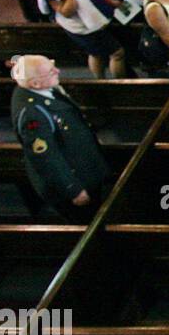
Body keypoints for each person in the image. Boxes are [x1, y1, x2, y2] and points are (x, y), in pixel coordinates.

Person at [9, 54, 112, 222]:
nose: (57, 70)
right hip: (71, 179)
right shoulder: (33, 114)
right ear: (35, 83)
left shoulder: (37, 89)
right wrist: (72, 189)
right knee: (89, 219)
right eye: (51, 71)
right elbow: (46, 158)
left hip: (81, 164)